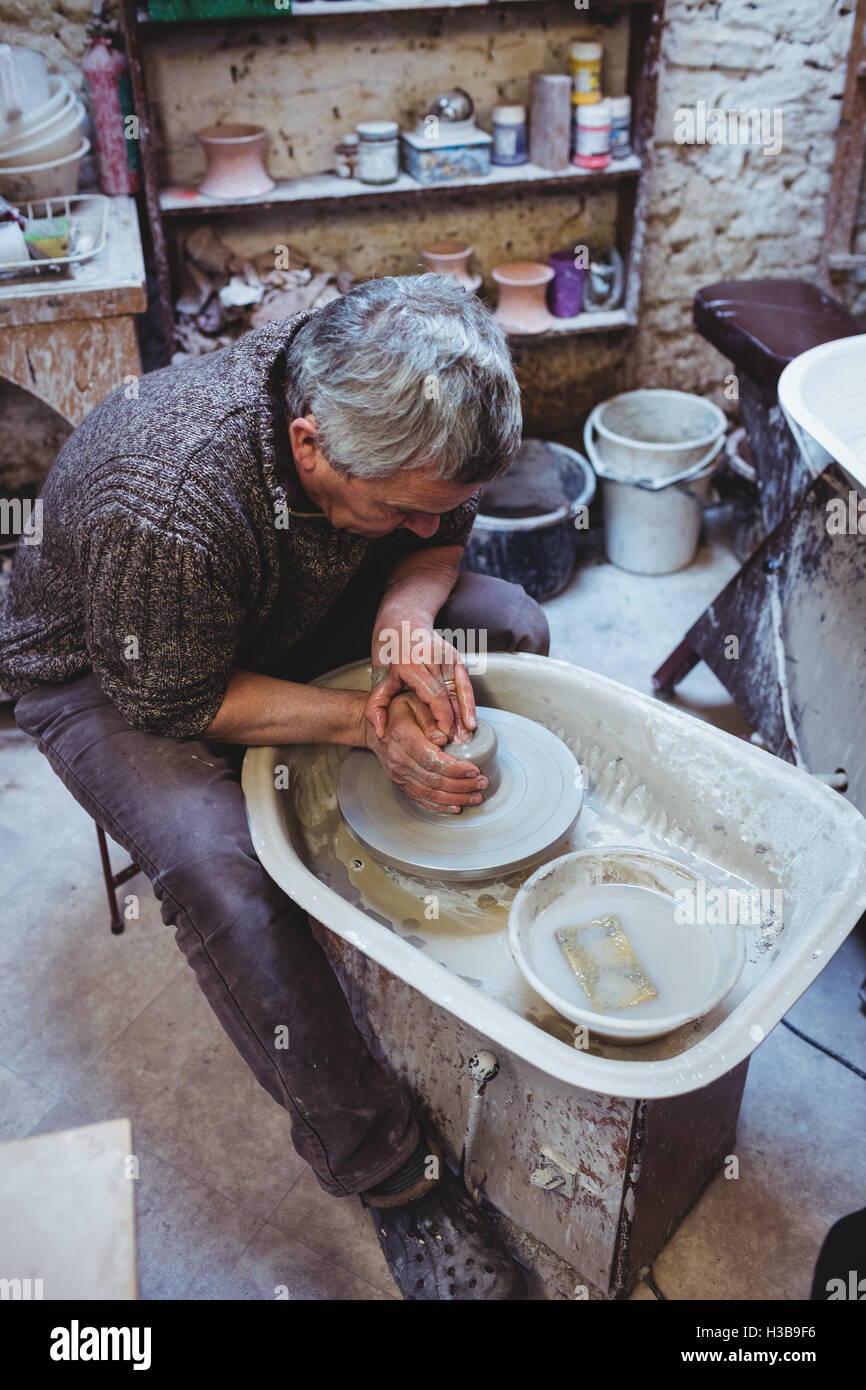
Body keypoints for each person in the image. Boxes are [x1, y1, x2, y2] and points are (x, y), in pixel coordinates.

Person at [0, 274, 548, 1300]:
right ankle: (393, 1179)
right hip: (109, 669)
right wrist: (361, 721)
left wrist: (407, 619)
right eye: (400, 511)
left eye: (436, 504)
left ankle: (426, 931)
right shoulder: (168, 492)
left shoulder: (402, 402)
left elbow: (442, 527)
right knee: (220, 864)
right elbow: (171, 695)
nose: (424, 525)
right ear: (308, 447)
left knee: (507, 630)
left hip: (269, 598)